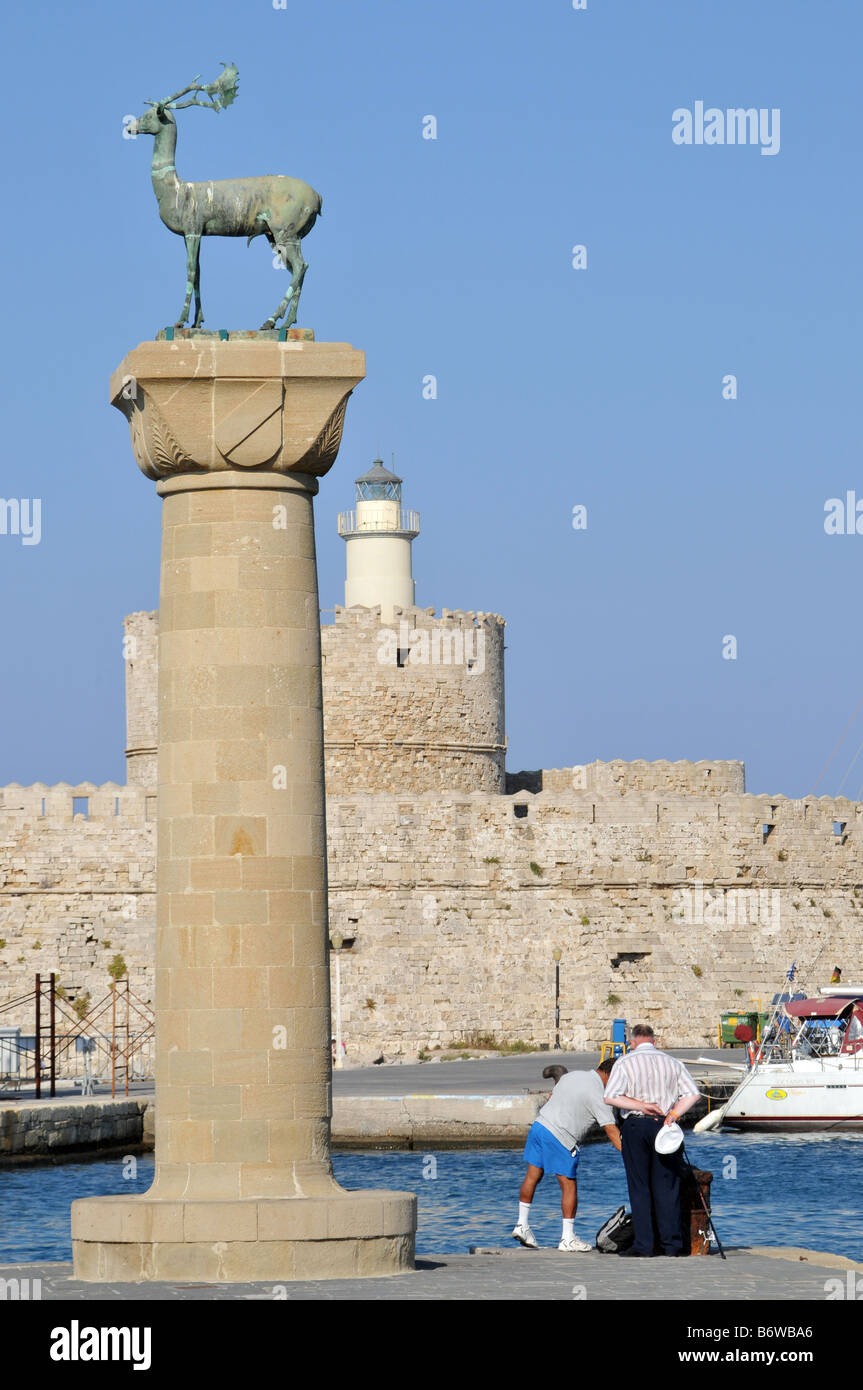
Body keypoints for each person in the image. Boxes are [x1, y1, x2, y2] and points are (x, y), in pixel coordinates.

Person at [602, 1024, 701, 1257]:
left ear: (633, 1042)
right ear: (654, 1041)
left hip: (636, 1126)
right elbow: (693, 1094)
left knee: (640, 1186)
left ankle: (644, 1245)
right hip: (665, 1126)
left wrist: (640, 1105)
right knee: (667, 1185)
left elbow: (610, 1097)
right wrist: (673, 1115)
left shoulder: (625, 1062)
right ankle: (672, 1245)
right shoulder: (673, 1062)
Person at [513, 1058, 621, 1252]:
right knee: (568, 1184)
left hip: (540, 1126)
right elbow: (612, 1132)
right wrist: (632, 1157)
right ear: (611, 1075)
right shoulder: (599, 1095)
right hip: (562, 1137)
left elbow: (553, 1097)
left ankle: (522, 1224)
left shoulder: (572, 1076)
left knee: (532, 1175)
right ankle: (567, 1238)